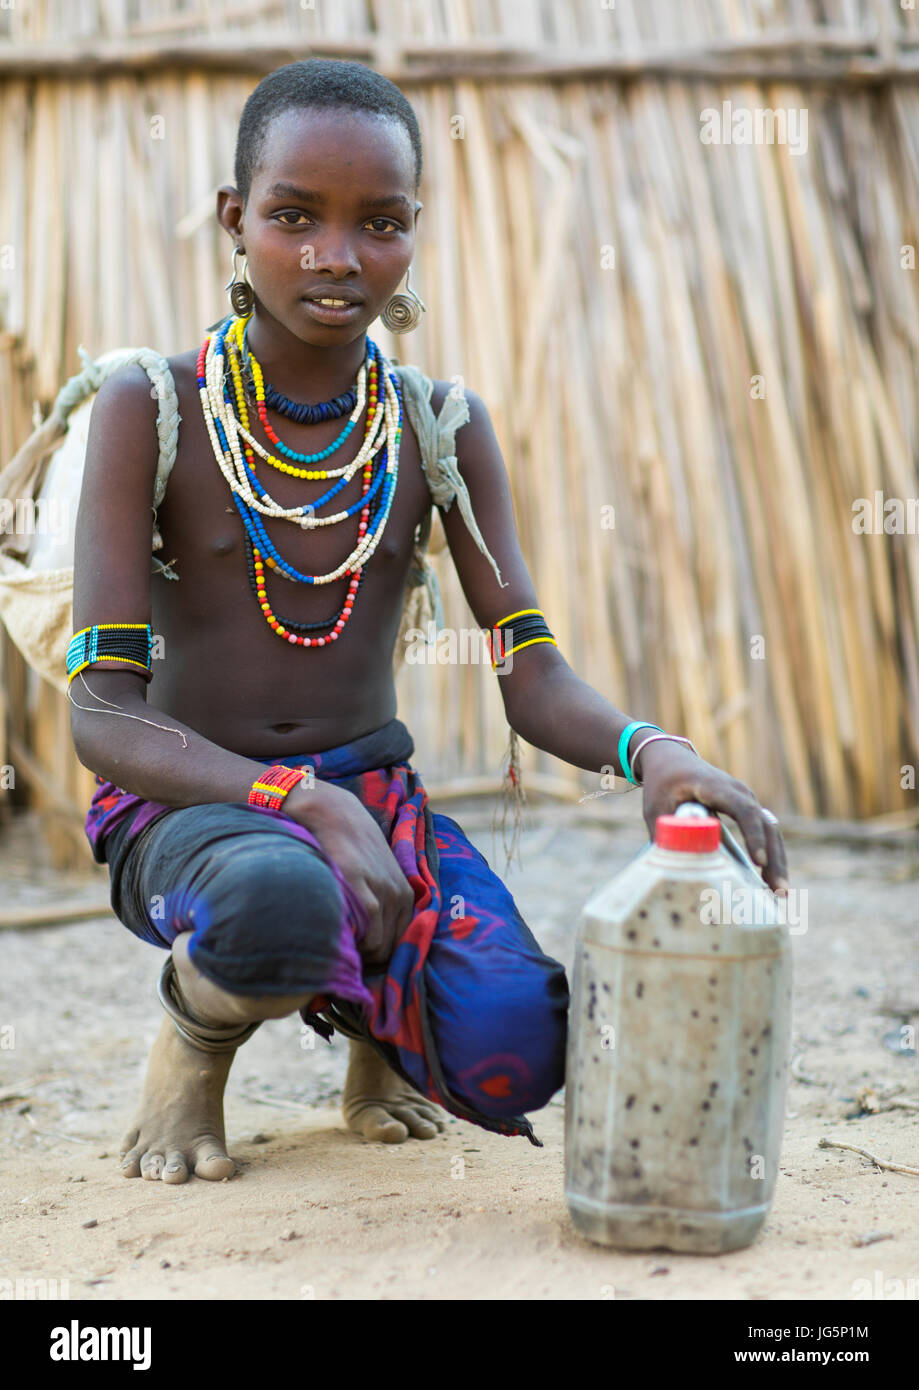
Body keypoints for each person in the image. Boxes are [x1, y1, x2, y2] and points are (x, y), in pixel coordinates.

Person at [67, 59, 789, 1185]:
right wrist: (297, 799)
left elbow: (531, 675)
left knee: (515, 1051)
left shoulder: (436, 426)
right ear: (234, 219)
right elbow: (102, 714)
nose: (337, 255)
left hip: (375, 797)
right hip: (190, 803)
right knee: (278, 895)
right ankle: (194, 1046)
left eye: (381, 223)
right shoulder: (150, 407)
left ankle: (378, 1046)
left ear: (413, 234)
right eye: (294, 216)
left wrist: (658, 754)